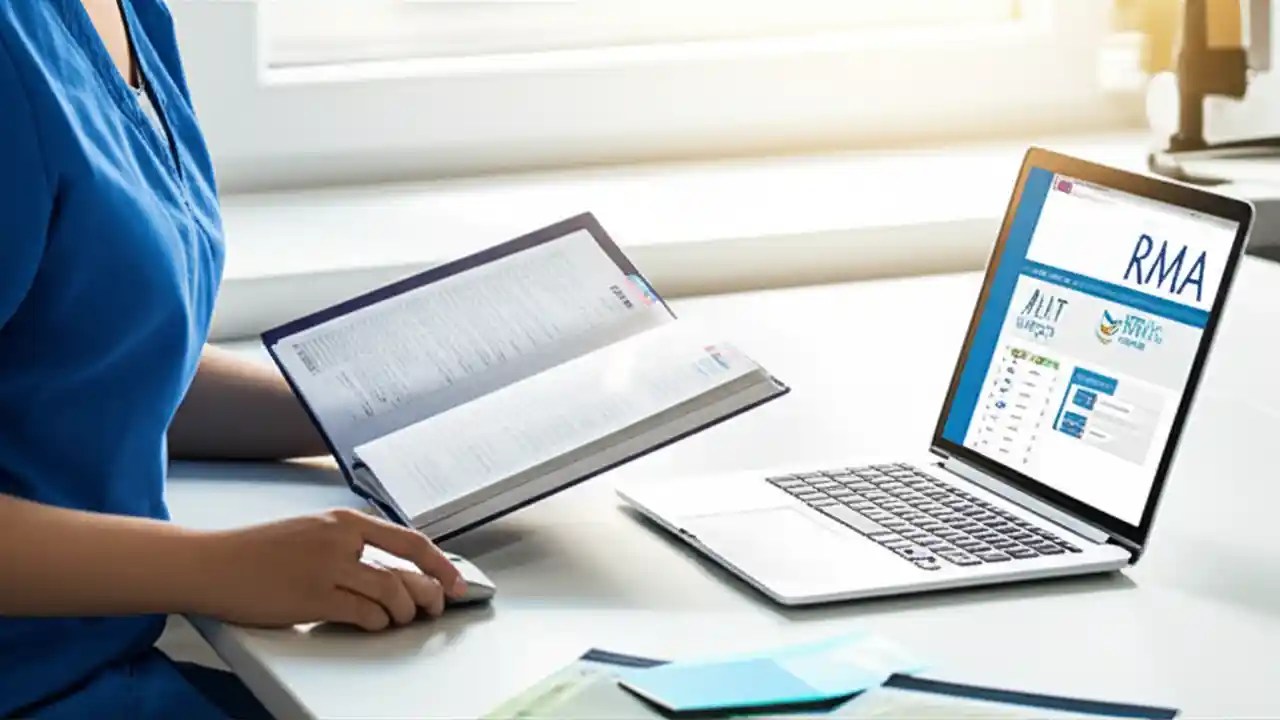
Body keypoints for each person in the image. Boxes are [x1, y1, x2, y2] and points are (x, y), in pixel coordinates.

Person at [0, 1, 467, 717]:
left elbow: (87, 358)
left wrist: (366, 411)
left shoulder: (132, 16)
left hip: (96, 673)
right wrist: (218, 568)